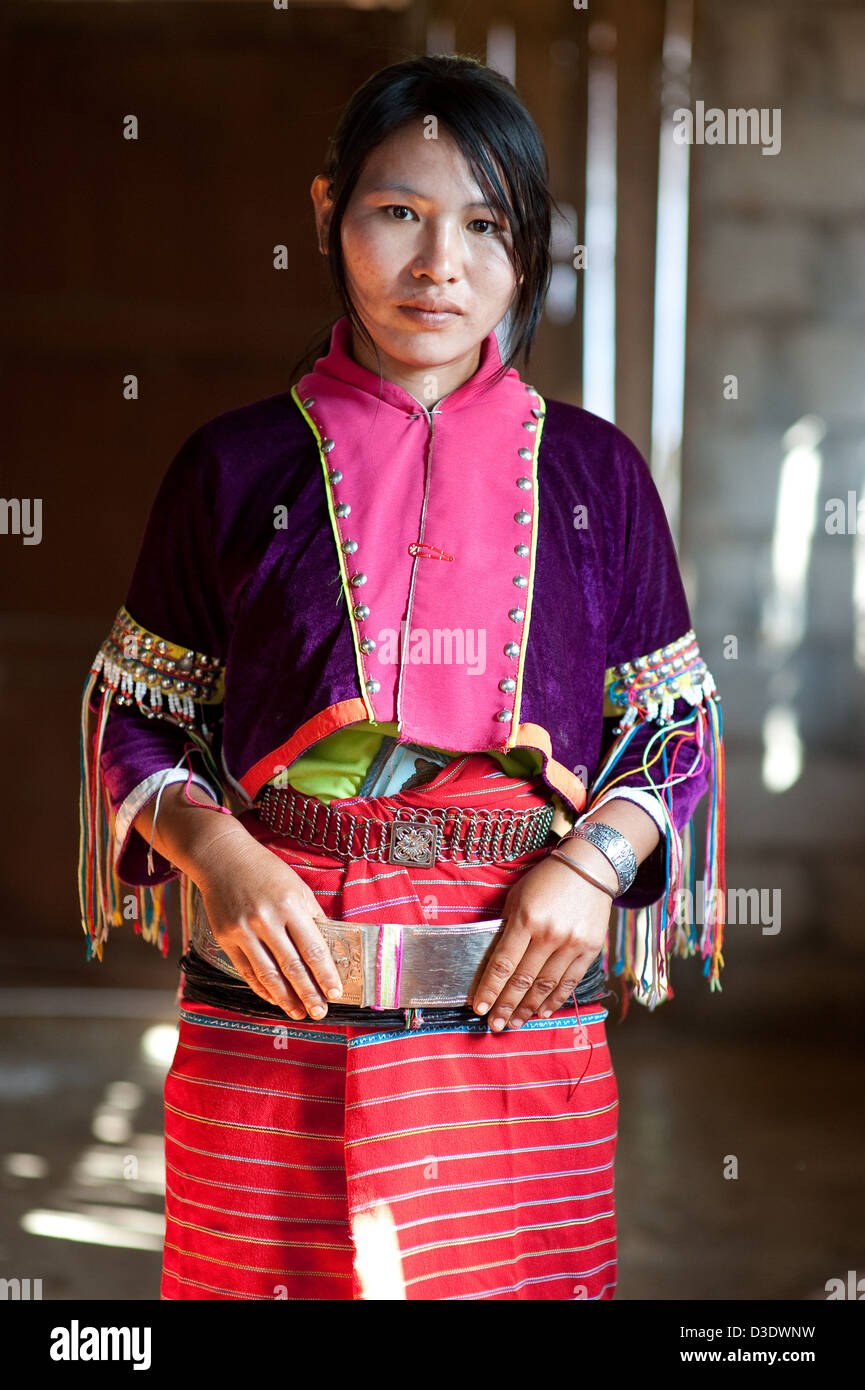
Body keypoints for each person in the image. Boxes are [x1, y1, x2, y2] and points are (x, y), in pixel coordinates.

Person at [77, 53, 725, 1301]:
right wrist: (222, 856)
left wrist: (591, 866)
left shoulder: (596, 477)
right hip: (276, 987)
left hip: (516, 996)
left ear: (531, 251)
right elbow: (136, 707)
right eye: (399, 213)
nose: (441, 265)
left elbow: (674, 717)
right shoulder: (231, 468)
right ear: (328, 211)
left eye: (487, 225)